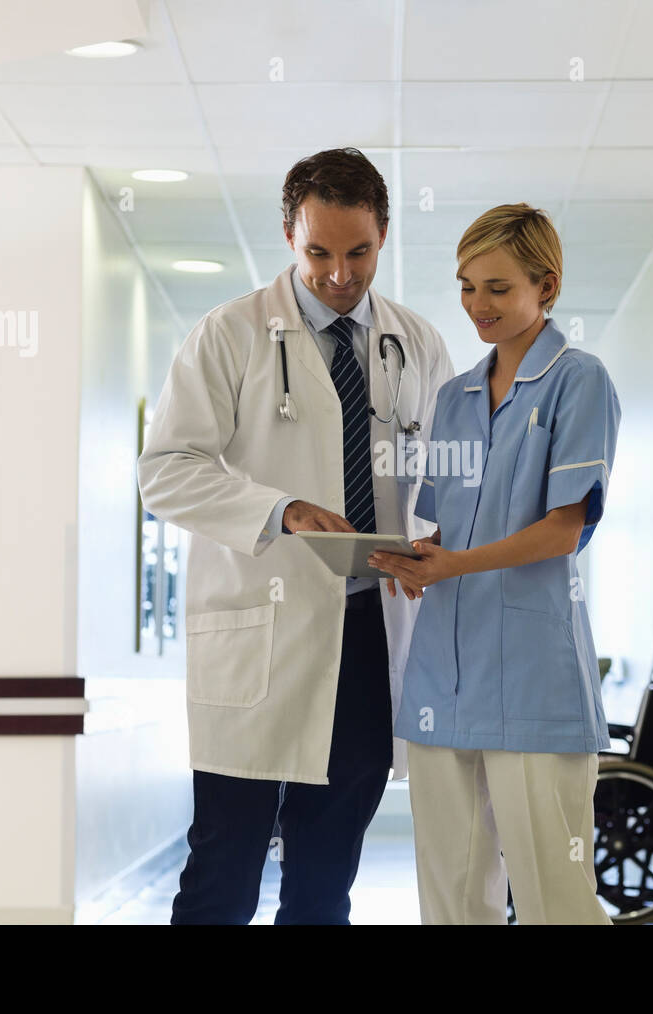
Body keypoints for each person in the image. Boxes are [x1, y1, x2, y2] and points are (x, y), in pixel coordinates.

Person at [137, 147, 454, 924]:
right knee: (225, 868)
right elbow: (166, 472)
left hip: (370, 633)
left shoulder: (418, 344)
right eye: (319, 252)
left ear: (384, 236)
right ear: (288, 234)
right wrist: (283, 510)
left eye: (359, 252)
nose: (340, 274)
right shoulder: (231, 334)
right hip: (262, 626)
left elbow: (449, 475)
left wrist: (439, 544)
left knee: (323, 881)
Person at [368, 204, 621, 925]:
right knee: (450, 900)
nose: (478, 306)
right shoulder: (454, 399)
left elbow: (563, 528)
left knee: (555, 900)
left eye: (498, 288)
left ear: (547, 285)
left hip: (533, 677)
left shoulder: (580, 381)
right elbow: (449, 526)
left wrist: (454, 566)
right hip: (443, 678)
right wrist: (416, 560)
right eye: (466, 286)